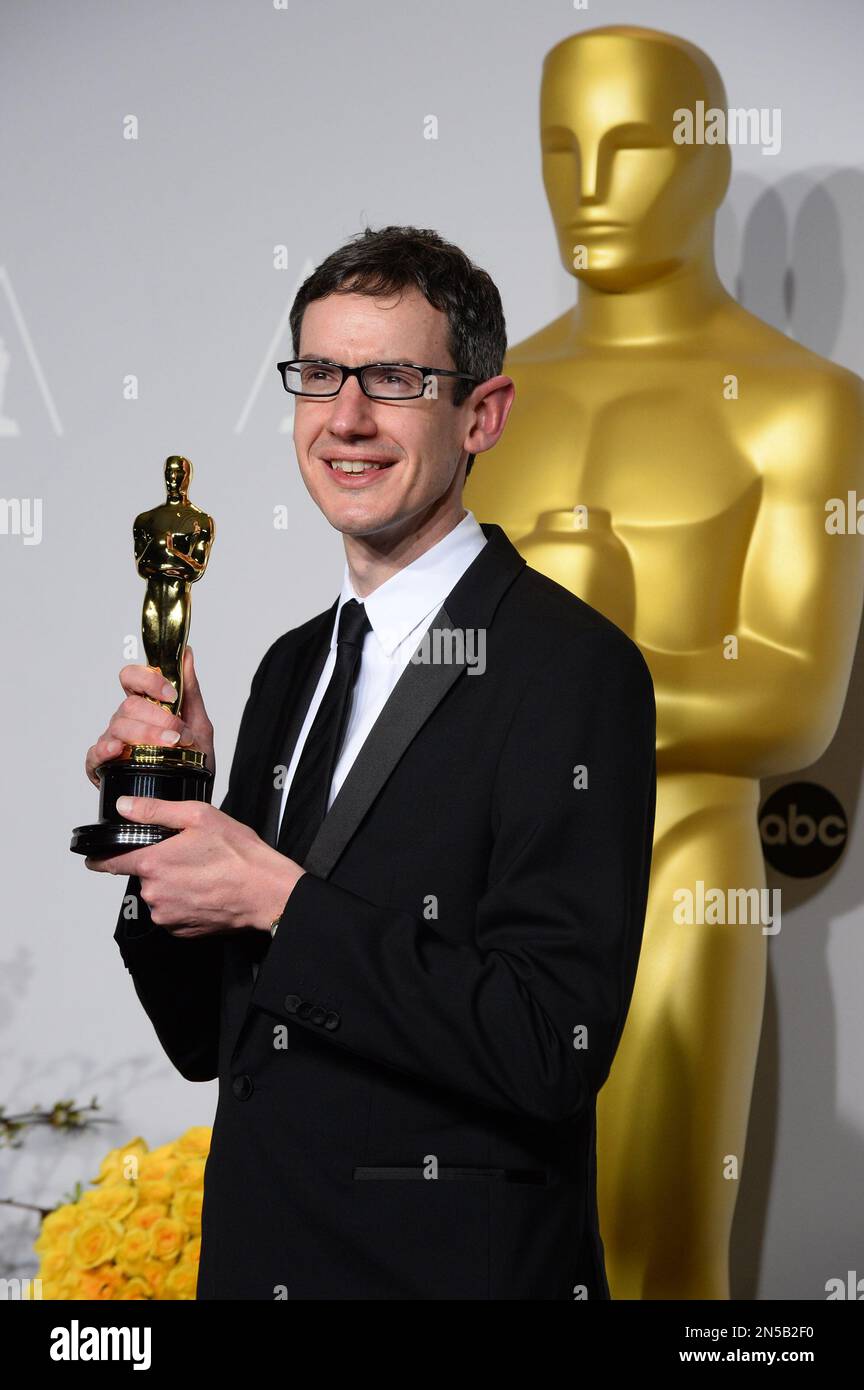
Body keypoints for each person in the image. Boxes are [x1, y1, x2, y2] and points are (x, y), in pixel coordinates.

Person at [85, 225, 656, 1301]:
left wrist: (284, 899)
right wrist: (161, 802)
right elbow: (214, 1039)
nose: (346, 417)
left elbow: (551, 1045)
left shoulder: (574, 670)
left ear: (481, 413)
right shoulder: (293, 665)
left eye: (393, 378)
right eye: (320, 375)